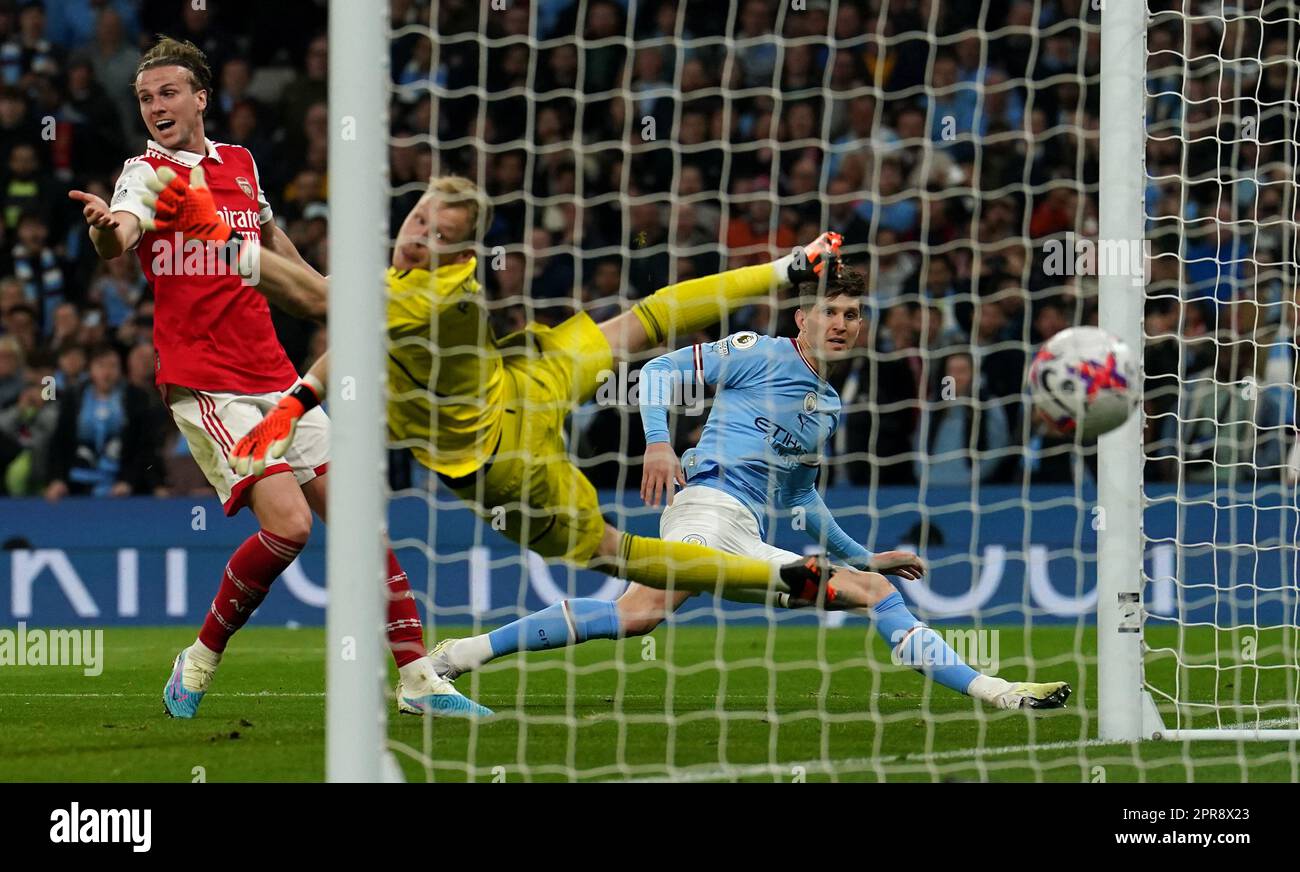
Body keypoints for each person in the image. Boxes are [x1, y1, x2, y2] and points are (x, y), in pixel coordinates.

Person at [429, 269, 1071, 711]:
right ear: (803, 317)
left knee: (641, 614)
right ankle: (997, 691)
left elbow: (801, 499)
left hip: (746, 532)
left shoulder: (826, 406)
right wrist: (658, 441)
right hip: (705, 510)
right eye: (831, 312)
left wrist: (863, 557)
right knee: (644, 612)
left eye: (853, 314)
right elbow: (657, 369)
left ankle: (456, 653)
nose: (843, 323)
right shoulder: (761, 352)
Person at [66, 37, 480, 719]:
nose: (156, 106)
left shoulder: (241, 164)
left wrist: (321, 294)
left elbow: (267, 239)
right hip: (206, 381)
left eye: (168, 92)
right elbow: (122, 230)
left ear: (201, 97)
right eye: (145, 97)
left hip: (272, 371)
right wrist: (105, 230)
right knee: (290, 528)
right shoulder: (146, 173)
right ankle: (197, 661)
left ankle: (418, 681)